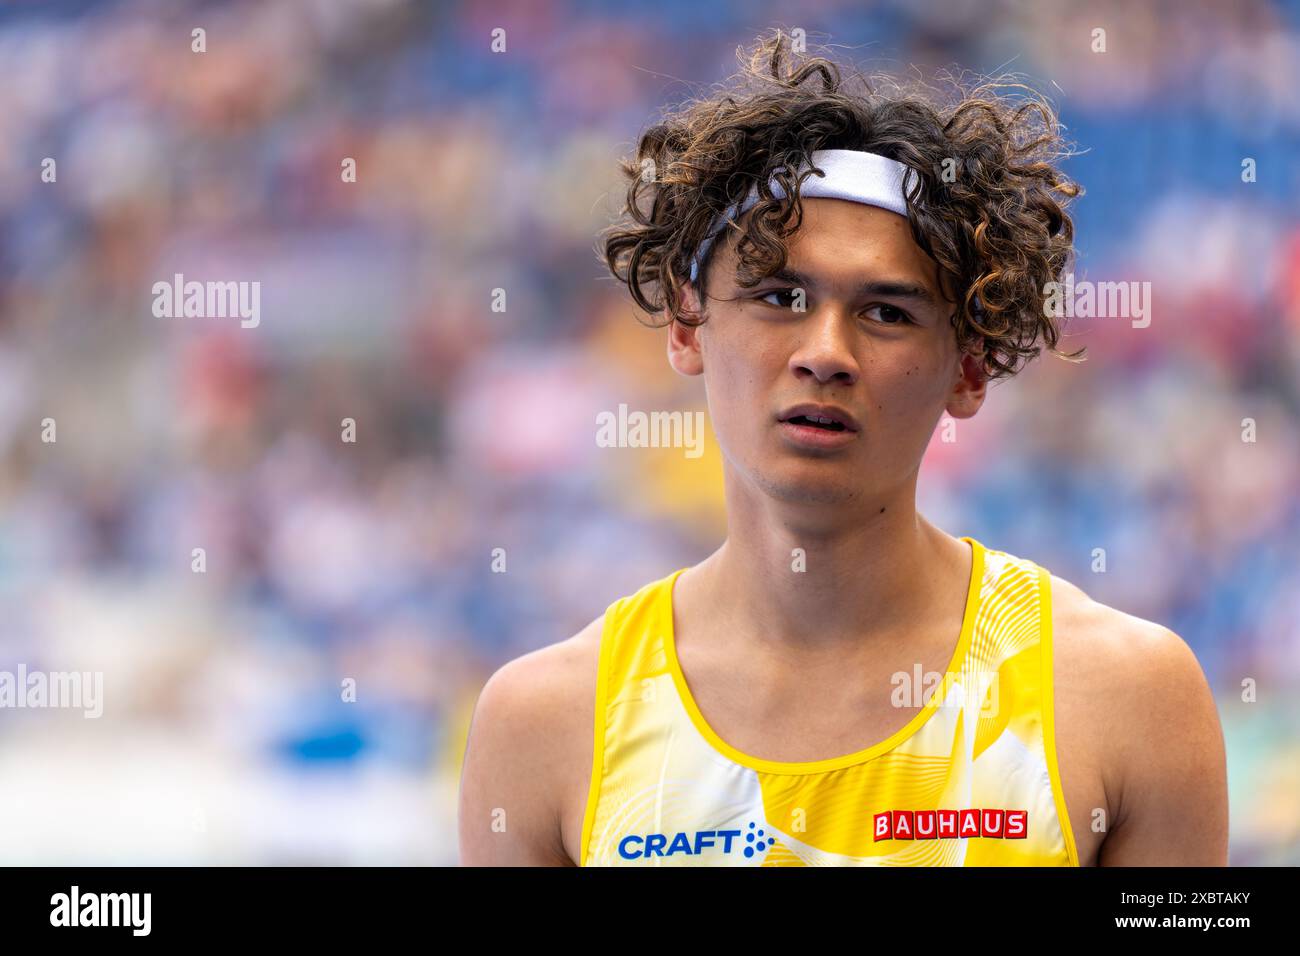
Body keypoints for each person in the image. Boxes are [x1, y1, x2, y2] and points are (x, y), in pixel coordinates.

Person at [458, 30, 1228, 866]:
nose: (825, 352)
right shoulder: (545, 724)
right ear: (687, 325)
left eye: (887, 312)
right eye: (780, 295)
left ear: (968, 368)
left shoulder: (1127, 694)